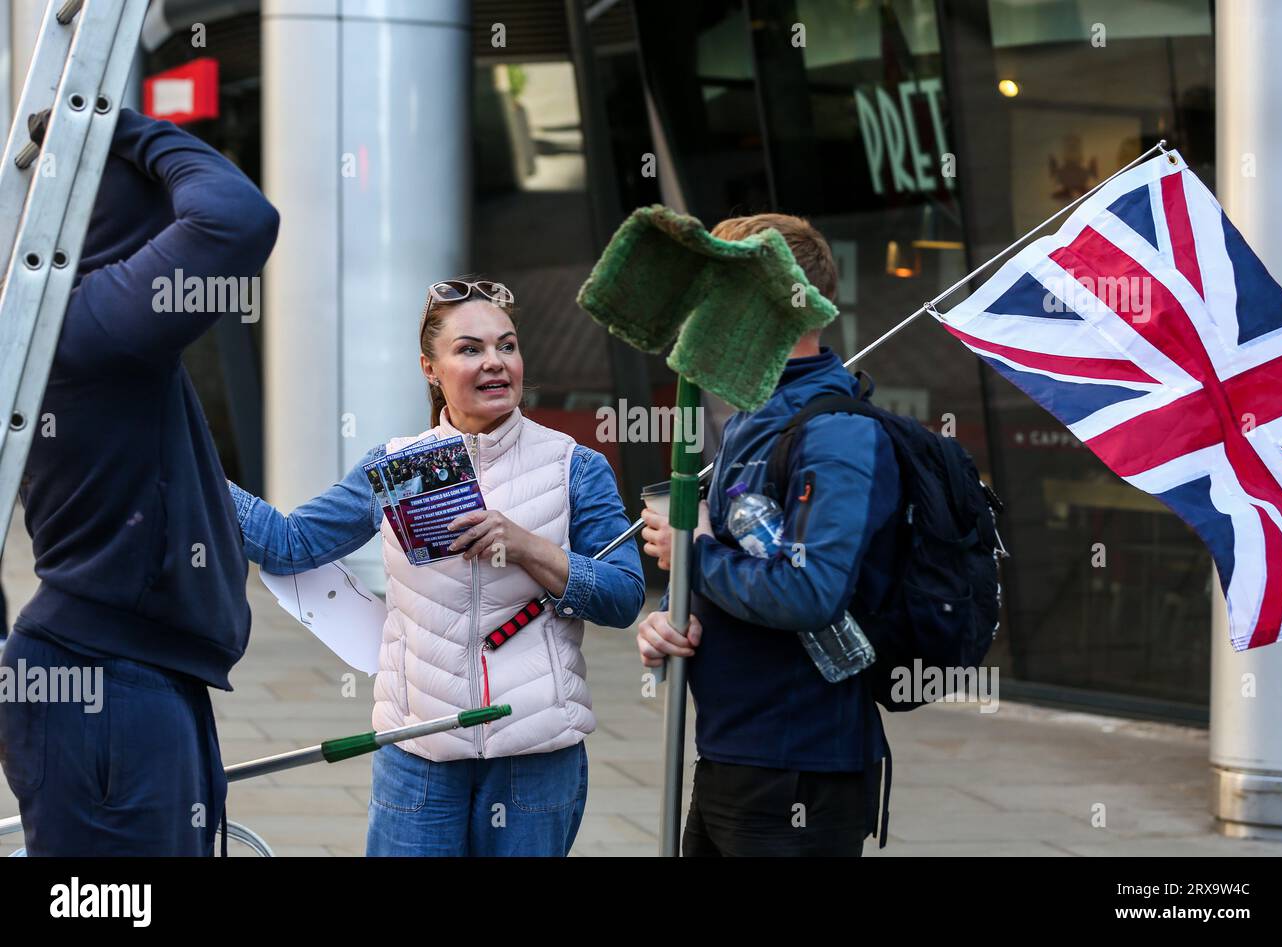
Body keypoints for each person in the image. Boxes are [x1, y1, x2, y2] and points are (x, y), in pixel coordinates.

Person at [228, 278, 644, 856]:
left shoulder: (575, 466)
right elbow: (291, 544)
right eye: (470, 349)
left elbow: (623, 597)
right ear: (430, 367)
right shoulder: (398, 465)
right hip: (418, 754)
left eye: (507, 345)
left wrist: (526, 546)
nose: (495, 363)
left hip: (536, 760)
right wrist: (191, 464)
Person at [0, 109, 280, 855]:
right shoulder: (92, 327)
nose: (172, 234)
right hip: (104, 687)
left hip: (119, 678)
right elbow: (237, 218)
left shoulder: (77, 332)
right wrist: (119, 128)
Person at [637, 213, 901, 857]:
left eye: (718, 292)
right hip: (735, 752)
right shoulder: (759, 416)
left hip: (797, 772)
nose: (703, 311)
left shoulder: (837, 433)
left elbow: (812, 593)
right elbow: (750, 569)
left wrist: (693, 556)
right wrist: (677, 618)